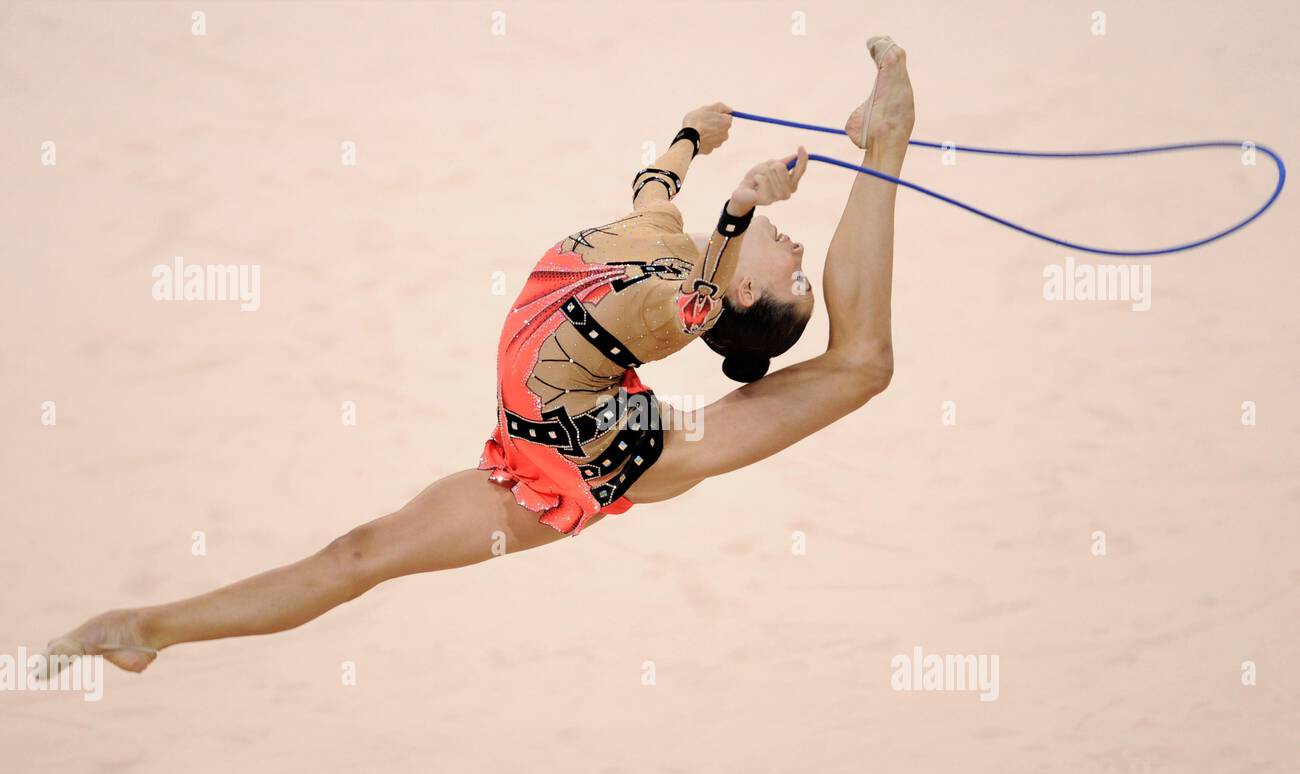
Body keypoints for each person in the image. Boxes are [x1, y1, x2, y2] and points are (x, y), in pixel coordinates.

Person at [42, 37, 915, 675]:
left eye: (793, 276)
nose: (800, 254)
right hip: (534, 452)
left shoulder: (682, 295)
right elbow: (657, 192)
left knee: (861, 365)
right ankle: (140, 631)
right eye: (806, 267)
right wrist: (691, 138)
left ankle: (888, 139)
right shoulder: (660, 238)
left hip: (618, 459)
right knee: (358, 554)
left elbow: (696, 305)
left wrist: (746, 204)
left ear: (747, 297)